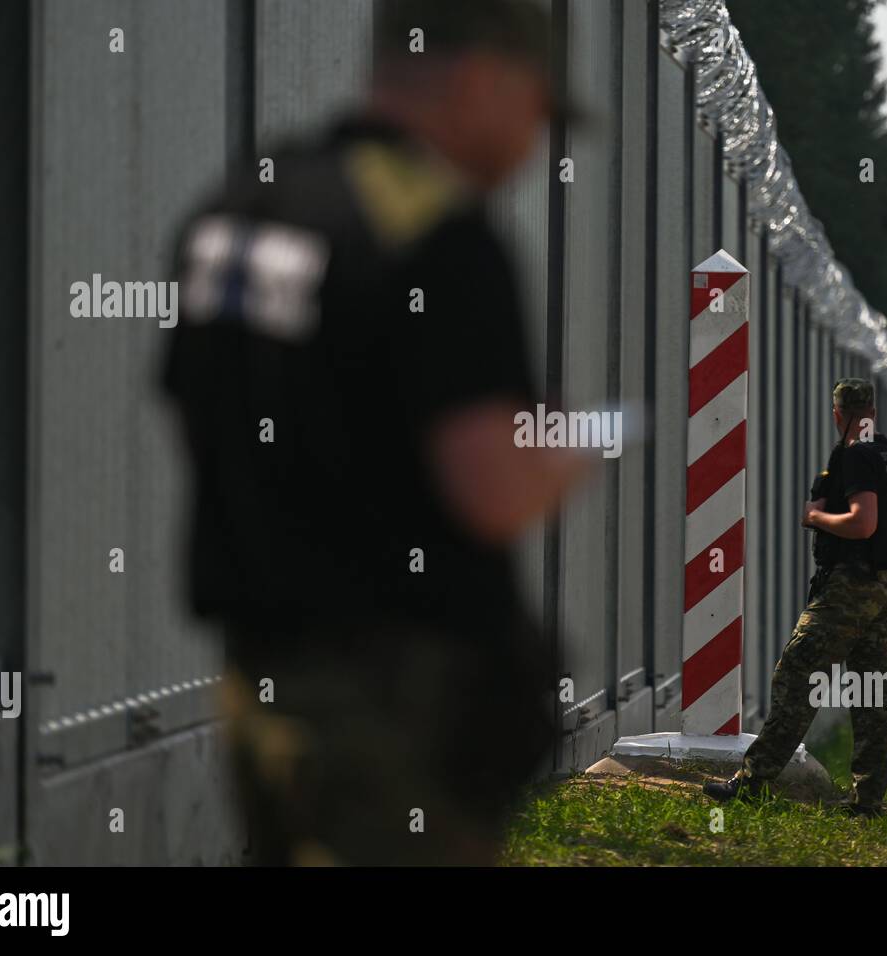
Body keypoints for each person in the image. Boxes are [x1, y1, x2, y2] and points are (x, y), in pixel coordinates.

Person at [161, 0, 590, 865]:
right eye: (538, 107)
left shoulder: (245, 205)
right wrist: (566, 454)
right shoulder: (436, 232)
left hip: (263, 686)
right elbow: (492, 488)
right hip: (395, 709)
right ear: (480, 79)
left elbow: (195, 403)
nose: (537, 138)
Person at [703, 378, 887, 818]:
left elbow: (862, 523)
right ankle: (867, 800)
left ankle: (753, 782)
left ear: (837, 414)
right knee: (872, 690)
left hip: (849, 587)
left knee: (797, 672)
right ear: (872, 410)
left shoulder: (855, 456)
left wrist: (816, 517)